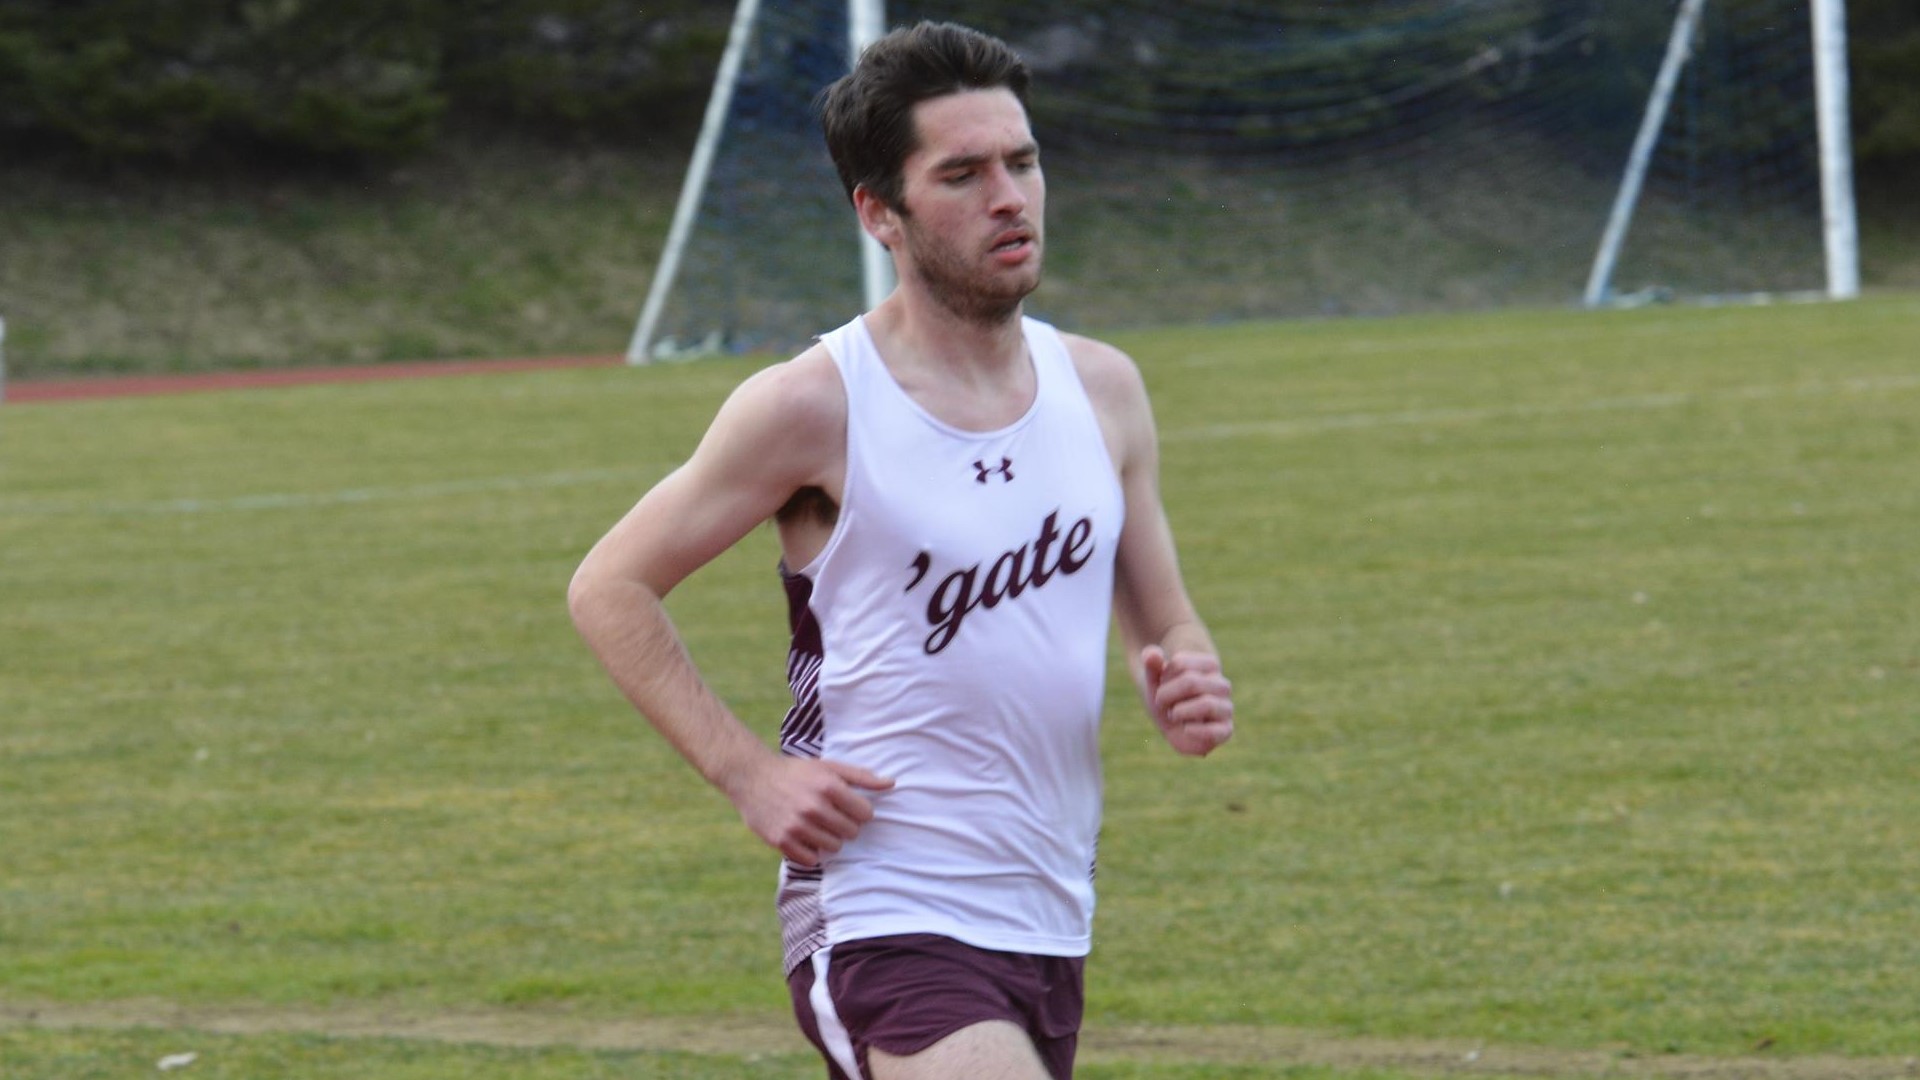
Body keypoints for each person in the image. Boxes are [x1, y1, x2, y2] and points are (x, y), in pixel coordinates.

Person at [567, 21, 1233, 1080]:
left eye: (1021, 162)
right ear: (880, 212)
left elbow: (1164, 616)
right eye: (962, 174)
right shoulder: (813, 405)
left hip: (1049, 908)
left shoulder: (1103, 390)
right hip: (883, 902)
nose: (1008, 196)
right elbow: (610, 584)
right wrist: (749, 774)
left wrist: (1185, 674)